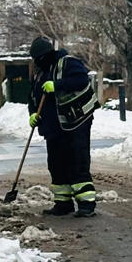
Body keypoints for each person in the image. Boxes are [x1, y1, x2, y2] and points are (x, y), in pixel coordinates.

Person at [28, 36, 100, 217]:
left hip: (76, 122)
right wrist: (33, 113)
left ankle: (86, 204)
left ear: (46, 54)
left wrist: (57, 85)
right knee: (56, 164)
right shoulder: (40, 73)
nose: (37, 62)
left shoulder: (67, 63)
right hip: (53, 127)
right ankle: (63, 202)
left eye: (39, 58)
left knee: (77, 160)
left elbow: (81, 80)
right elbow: (33, 97)